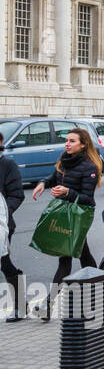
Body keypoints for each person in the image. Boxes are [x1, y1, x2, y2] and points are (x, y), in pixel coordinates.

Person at [33, 127, 102, 303]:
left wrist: (67, 191)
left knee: (66, 258)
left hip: (78, 216)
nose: (67, 144)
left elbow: (88, 199)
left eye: (72, 141)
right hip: (63, 213)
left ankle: (48, 303)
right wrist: (43, 183)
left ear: (83, 144)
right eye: (67, 140)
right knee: (83, 255)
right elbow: (54, 176)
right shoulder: (65, 160)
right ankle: (98, 287)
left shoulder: (90, 167)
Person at [1, 131, 26, 322]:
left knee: (4, 263)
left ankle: (19, 305)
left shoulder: (7, 165)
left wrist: (3, 212)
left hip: (1, 224)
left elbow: (16, 195)